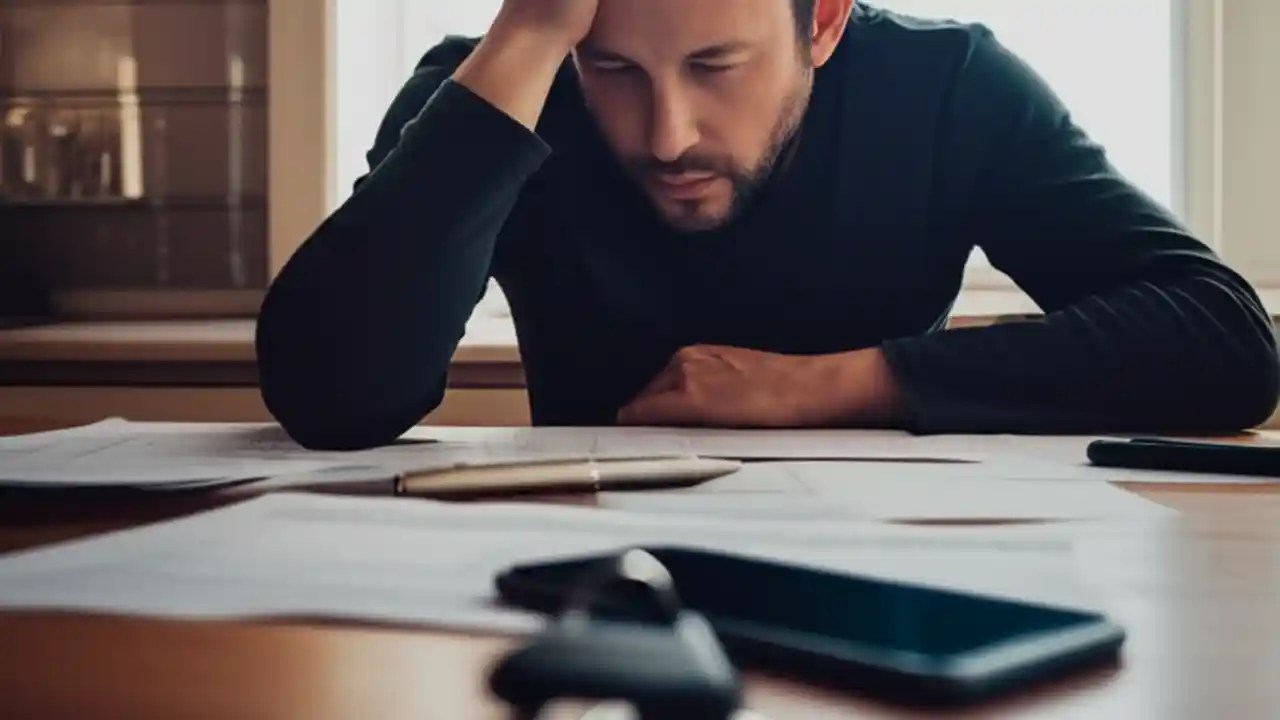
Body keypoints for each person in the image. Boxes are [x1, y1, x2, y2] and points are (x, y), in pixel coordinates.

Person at [257, 0, 1279, 451]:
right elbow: (333, 398)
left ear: (823, 21)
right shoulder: (497, 89)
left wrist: (830, 384)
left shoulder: (945, 88)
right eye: (610, 67)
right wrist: (528, 38)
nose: (665, 135)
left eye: (714, 66)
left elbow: (1224, 344)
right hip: (590, 584)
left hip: (893, 572)